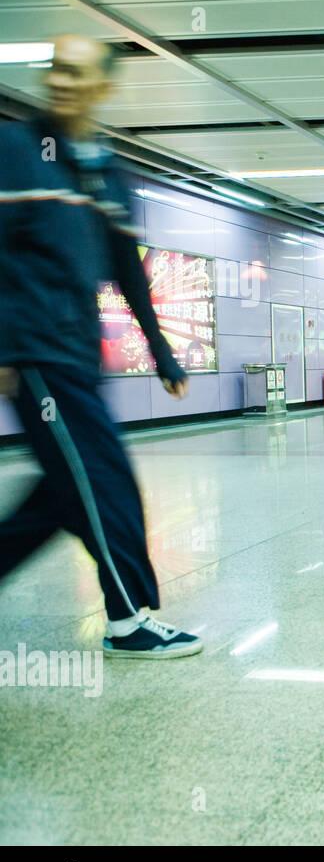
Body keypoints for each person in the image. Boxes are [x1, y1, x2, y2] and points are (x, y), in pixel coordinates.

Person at [0, 34, 201, 658]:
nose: (60, 81)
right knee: (101, 484)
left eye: (75, 72)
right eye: (54, 69)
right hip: (38, 355)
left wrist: (161, 350)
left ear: (104, 87)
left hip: (79, 355)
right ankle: (127, 619)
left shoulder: (106, 169)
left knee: (63, 496)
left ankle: (128, 614)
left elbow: (127, 268)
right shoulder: (17, 148)